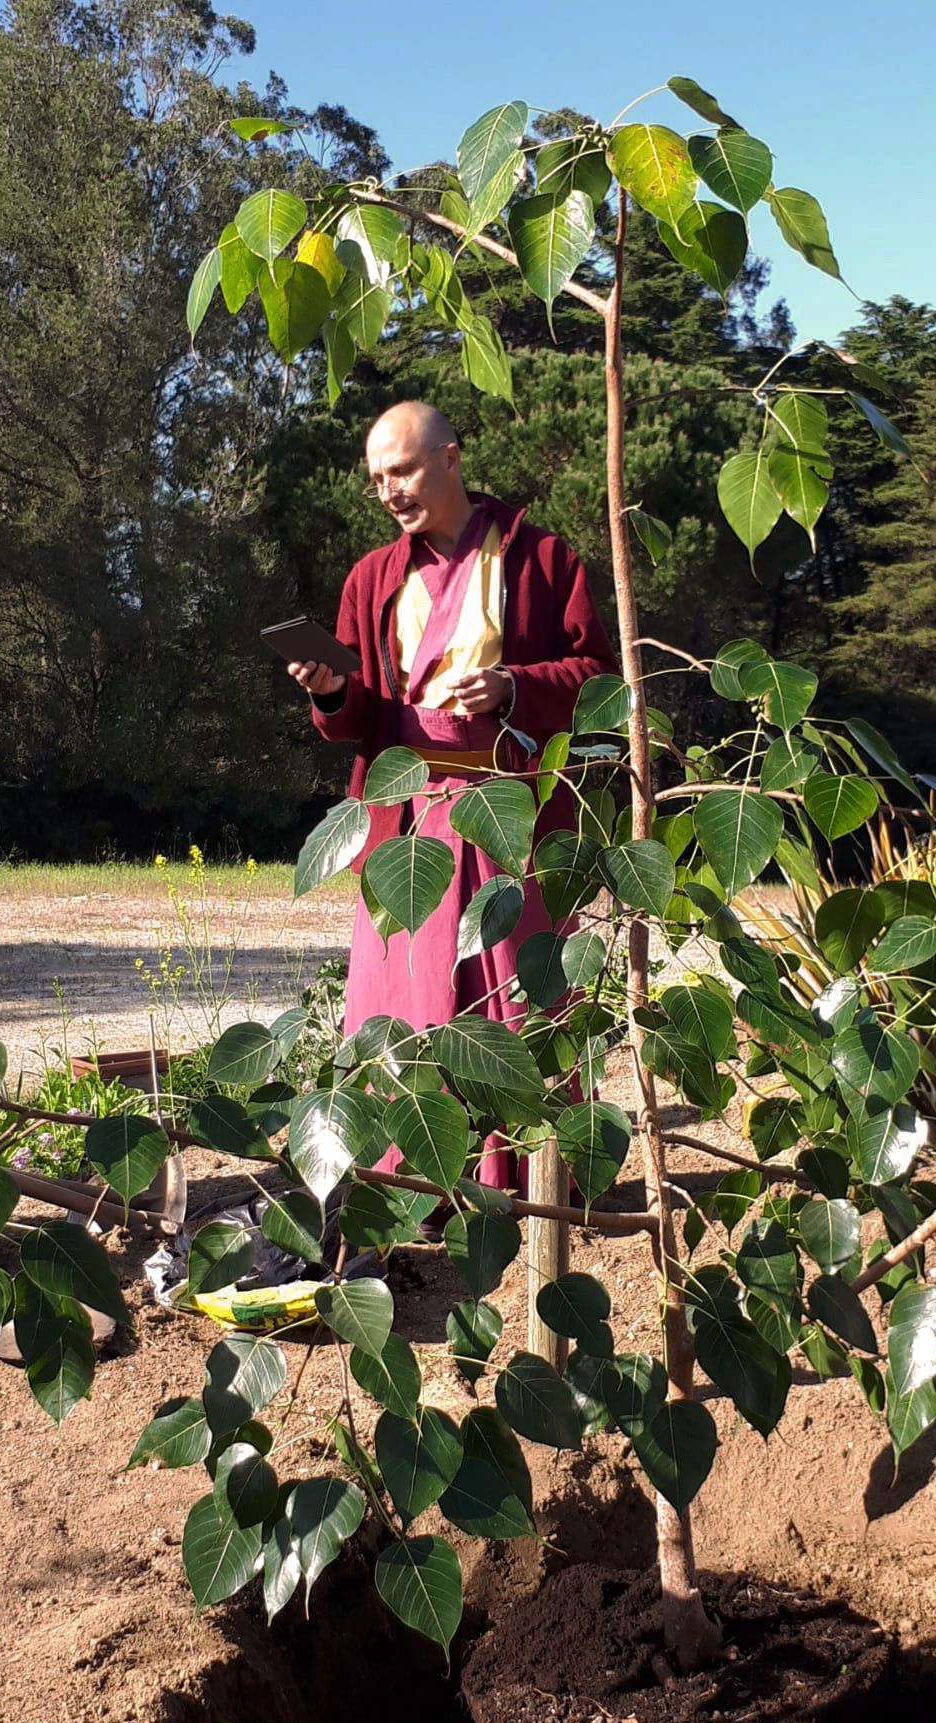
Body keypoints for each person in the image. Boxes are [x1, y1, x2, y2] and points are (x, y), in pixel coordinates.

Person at [289, 400, 617, 1185]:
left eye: (399, 470)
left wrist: (513, 684)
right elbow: (358, 716)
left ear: (451, 458)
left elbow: (599, 679)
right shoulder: (371, 579)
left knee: (517, 995)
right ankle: (408, 1176)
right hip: (405, 817)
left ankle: (534, 1178)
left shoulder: (540, 559)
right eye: (375, 480)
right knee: (401, 999)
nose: (388, 491)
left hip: (508, 811)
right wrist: (332, 689)